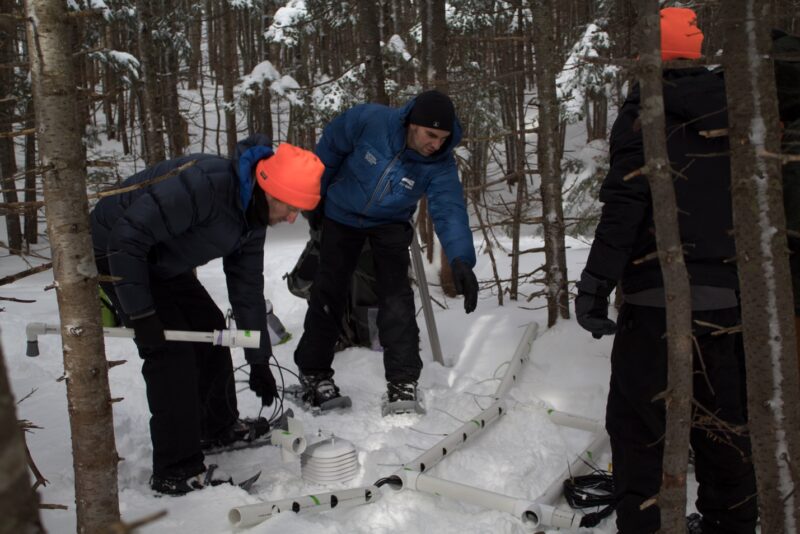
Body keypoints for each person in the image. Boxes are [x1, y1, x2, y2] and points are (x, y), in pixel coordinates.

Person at [574, 8, 757, 533]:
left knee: (639, 428)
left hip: (655, 307)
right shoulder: (738, 109)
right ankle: (731, 526)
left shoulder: (641, 112)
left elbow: (625, 205)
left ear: (644, 56)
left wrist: (593, 287)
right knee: (724, 430)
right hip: (728, 305)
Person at [90, 135, 324, 495]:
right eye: (288, 206)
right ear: (266, 186)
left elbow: (246, 288)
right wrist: (142, 314)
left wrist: (258, 359)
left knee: (211, 329)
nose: (291, 217)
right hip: (117, 252)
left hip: (161, 259)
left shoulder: (254, 215)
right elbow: (126, 238)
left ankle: (216, 427)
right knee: (171, 354)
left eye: (298, 210)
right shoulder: (205, 185)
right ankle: (176, 470)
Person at [293, 90, 479, 415]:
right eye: (430, 135)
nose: (436, 144)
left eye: (443, 138)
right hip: (340, 214)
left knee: (397, 300)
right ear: (411, 123)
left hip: (390, 223)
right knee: (328, 292)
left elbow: (449, 210)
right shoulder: (369, 121)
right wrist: (316, 198)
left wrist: (462, 259)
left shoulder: (439, 163)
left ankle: (402, 383)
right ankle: (314, 374)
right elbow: (329, 150)